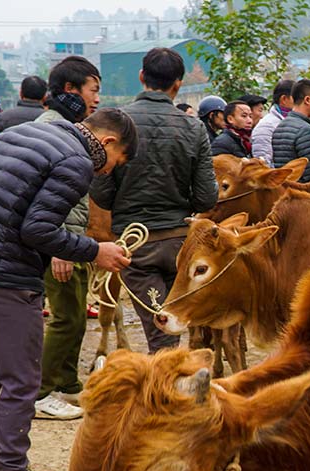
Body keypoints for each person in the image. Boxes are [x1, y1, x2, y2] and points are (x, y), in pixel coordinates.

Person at [0, 108, 136, 471]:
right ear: (108, 143)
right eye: (117, 162)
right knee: (21, 378)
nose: (108, 172)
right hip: (6, 281)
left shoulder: (12, 135)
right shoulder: (75, 160)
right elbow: (38, 229)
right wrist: (94, 251)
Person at [90, 47, 217, 353]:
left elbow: (101, 195)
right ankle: (171, 393)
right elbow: (206, 197)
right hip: (180, 246)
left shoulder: (115, 127)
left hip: (135, 248)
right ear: (179, 84)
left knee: (160, 336)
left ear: (141, 77)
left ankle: (164, 394)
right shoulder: (194, 127)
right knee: (172, 333)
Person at [32, 54, 103, 421]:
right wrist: (58, 246)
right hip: (58, 242)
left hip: (70, 239)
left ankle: (66, 382)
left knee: (75, 315)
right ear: (70, 90)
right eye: (93, 90)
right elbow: (49, 197)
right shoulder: (53, 130)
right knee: (64, 318)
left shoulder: (68, 128)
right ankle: (41, 392)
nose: (97, 99)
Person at [271, 78, 310, 182]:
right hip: (300, 192)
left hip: (283, 187)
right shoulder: (305, 130)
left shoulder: (280, 126)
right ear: (307, 100)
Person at [252, 79, 294, 165]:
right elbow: (262, 163)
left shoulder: (292, 121)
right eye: (296, 98)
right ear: (284, 99)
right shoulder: (267, 126)